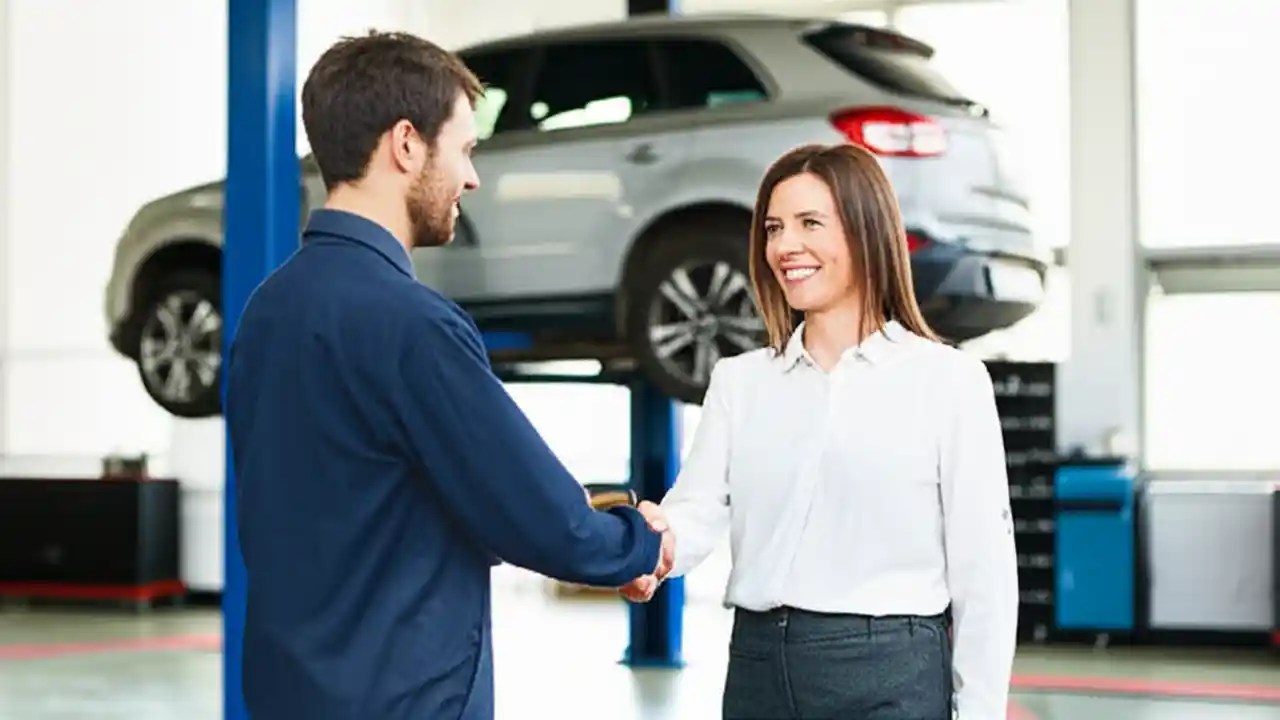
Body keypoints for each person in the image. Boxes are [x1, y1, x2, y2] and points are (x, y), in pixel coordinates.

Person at [225, 31, 672, 720]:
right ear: (407, 144)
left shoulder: (268, 312)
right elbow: (542, 519)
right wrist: (637, 541)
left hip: (288, 693)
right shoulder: (413, 325)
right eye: (465, 149)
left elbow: (399, 491)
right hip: (402, 698)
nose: (472, 177)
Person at [623, 143, 1019, 719]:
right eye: (774, 228)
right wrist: (653, 544)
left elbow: (985, 574)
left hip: (890, 671)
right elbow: (697, 511)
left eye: (810, 223)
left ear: (866, 233)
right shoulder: (740, 381)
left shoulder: (949, 382)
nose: (785, 246)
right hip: (760, 671)